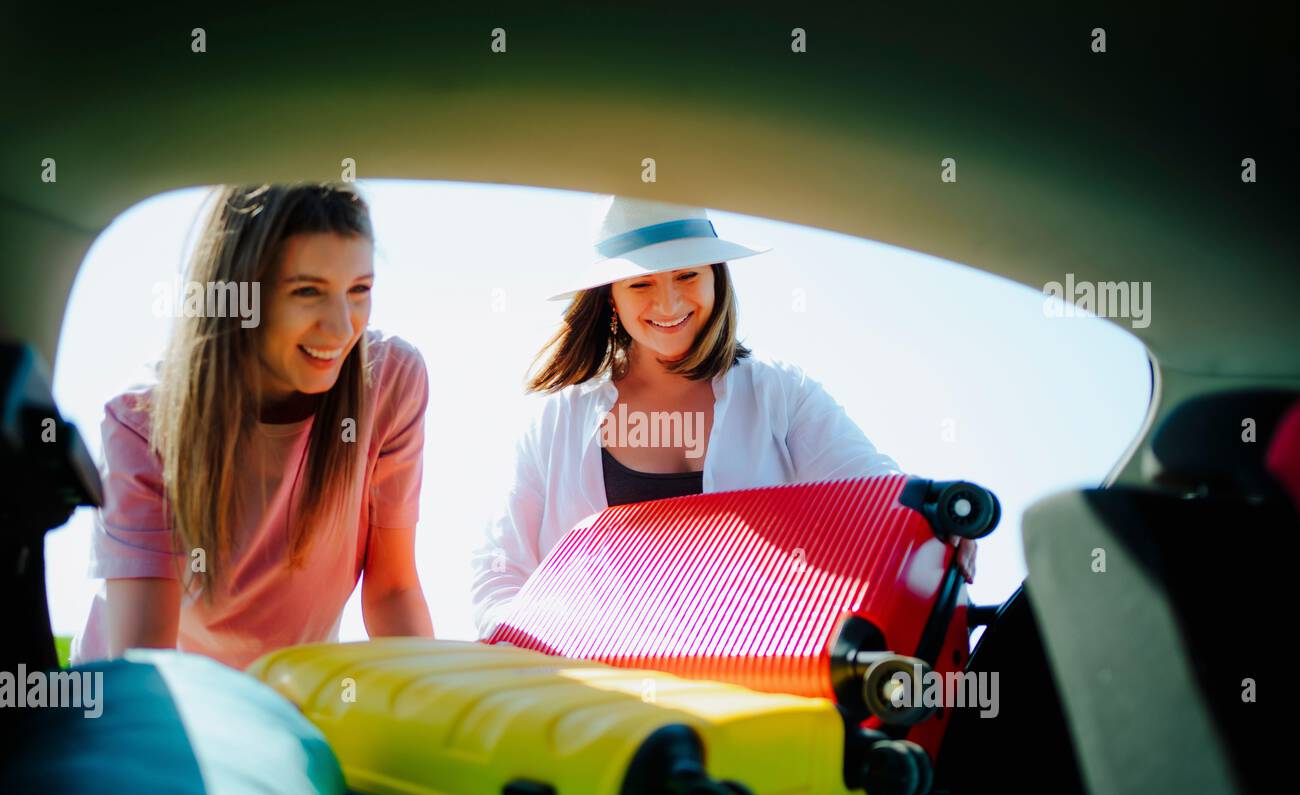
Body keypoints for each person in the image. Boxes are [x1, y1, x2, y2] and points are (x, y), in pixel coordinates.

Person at [470, 195, 977, 637]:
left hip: (753, 686)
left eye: (686, 274)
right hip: (600, 707)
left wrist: (938, 516)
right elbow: (500, 571)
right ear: (611, 300)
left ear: (716, 278)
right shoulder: (555, 421)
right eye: (640, 283)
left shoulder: (783, 393)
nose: (668, 302)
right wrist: (537, 672)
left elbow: (874, 491)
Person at [73, 182, 434, 671]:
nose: (341, 325)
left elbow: (392, 589)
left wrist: (430, 715)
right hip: (155, 700)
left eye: (359, 291)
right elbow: (148, 668)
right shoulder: (140, 422)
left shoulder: (391, 381)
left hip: (282, 698)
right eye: (307, 291)